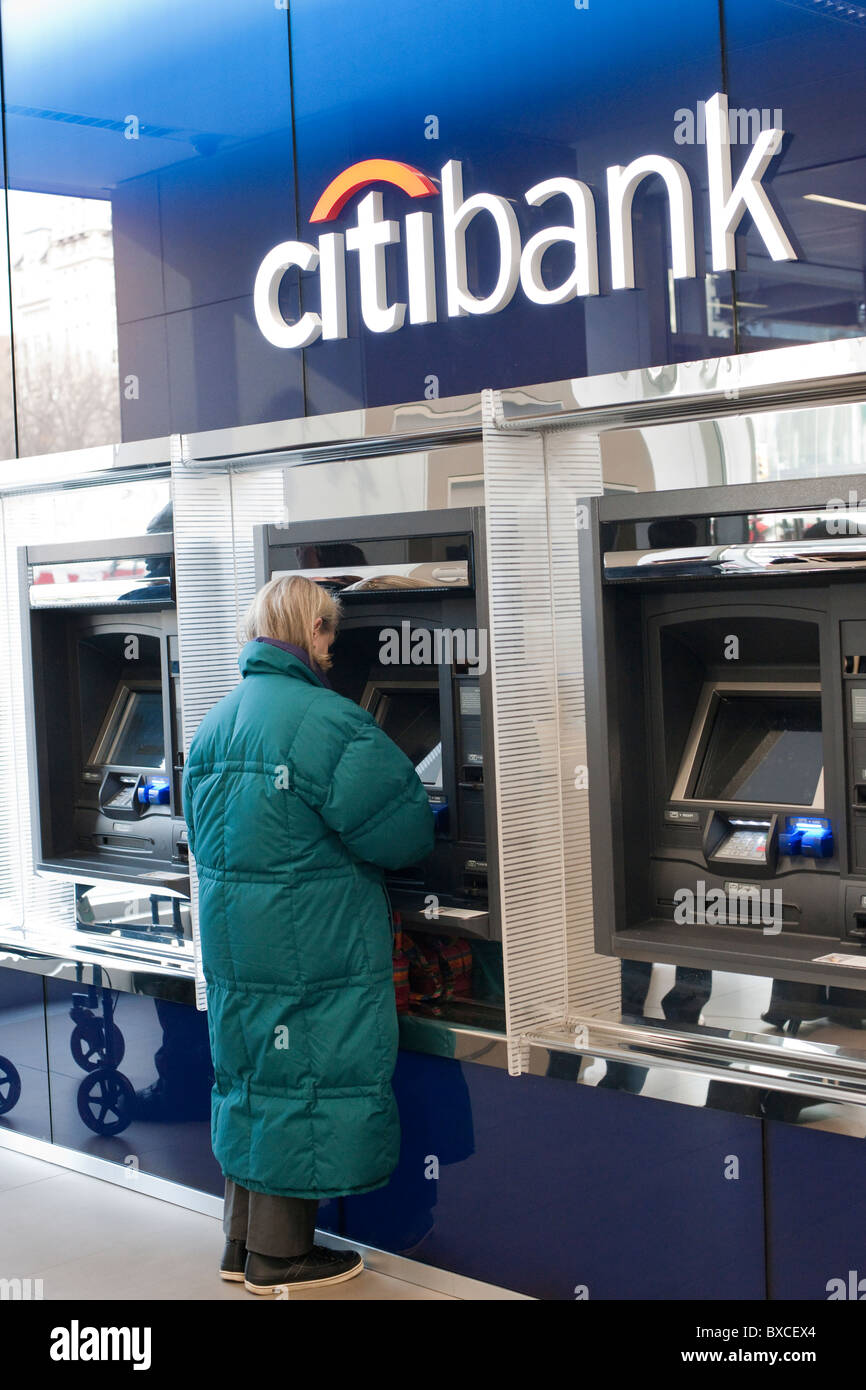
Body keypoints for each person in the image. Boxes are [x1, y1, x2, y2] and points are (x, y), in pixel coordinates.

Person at [182, 574, 435, 1295]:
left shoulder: (218, 722)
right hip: (309, 941)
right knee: (303, 1078)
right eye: (328, 630)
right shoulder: (326, 721)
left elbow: (202, 836)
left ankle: (241, 1243)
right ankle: (282, 1256)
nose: (332, 646)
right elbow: (405, 830)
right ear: (309, 630)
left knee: (254, 1074)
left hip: (239, 940)